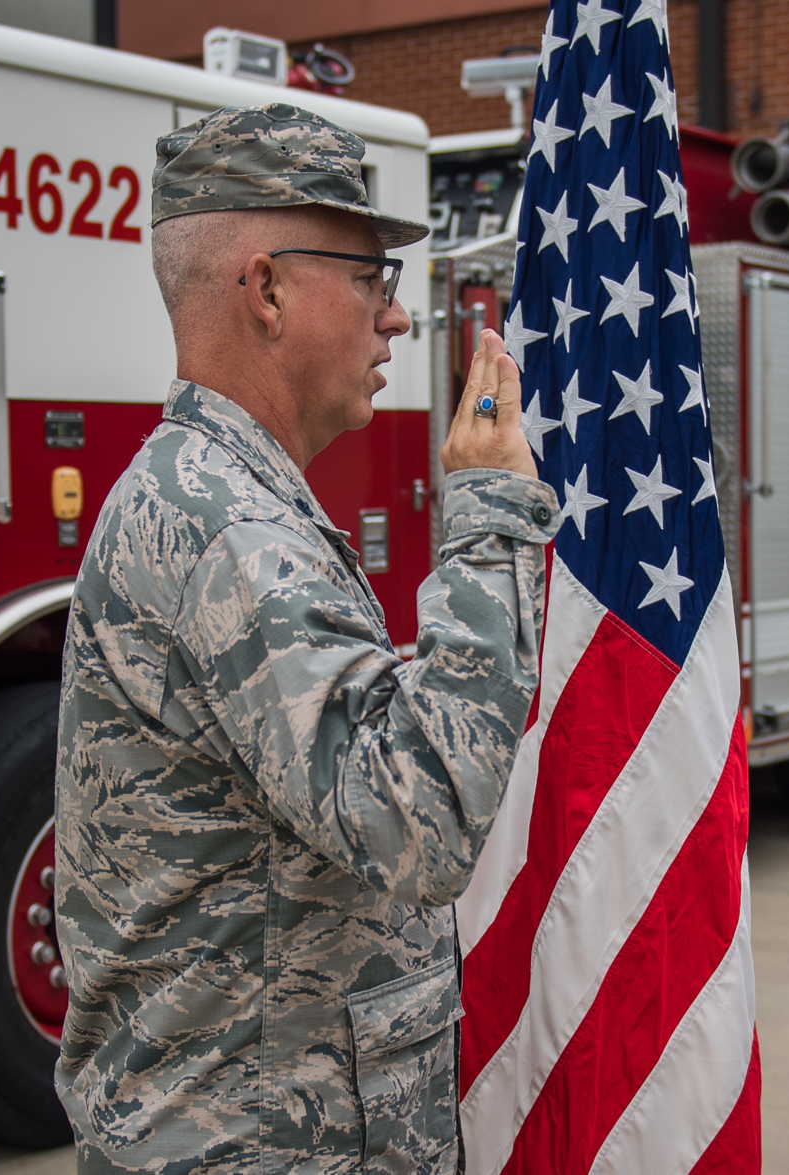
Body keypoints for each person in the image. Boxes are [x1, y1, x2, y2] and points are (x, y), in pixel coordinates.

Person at [53, 104, 558, 1173]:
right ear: (267, 287)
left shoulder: (218, 497)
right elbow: (419, 815)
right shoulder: (227, 525)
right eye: (371, 277)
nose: (397, 319)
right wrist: (489, 516)